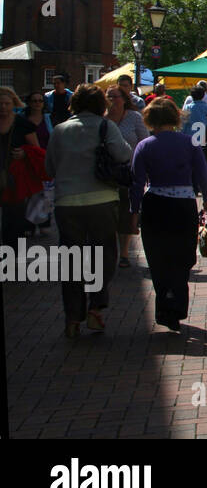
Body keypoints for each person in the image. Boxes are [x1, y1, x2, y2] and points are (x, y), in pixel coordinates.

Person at [45, 84, 130, 337]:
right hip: (102, 200)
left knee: (71, 260)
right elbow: (124, 154)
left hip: (67, 203)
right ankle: (96, 307)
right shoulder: (106, 126)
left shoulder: (59, 130)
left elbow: (49, 168)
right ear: (101, 105)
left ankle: (72, 317)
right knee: (104, 255)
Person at [130, 97, 207, 332]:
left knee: (158, 259)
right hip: (183, 205)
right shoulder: (189, 143)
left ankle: (164, 307)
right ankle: (177, 306)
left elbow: (137, 183)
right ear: (176, 118)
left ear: (150, 119)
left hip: (155, 204)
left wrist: (133, 212)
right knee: (182, 258)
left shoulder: (145, 146)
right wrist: (206, 199)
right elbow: (203, 176)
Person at [107, 85, 148, 269]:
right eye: (108, 96)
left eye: (115, 96)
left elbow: (144, 142)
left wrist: (144, 170)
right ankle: (110, 250)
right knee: (108, 214)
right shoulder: (102, 119)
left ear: (124, 99)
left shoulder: (134, 118)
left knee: (126, 212)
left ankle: (123, 252)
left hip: (129, 173)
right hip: (105, 174)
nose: (111, 100)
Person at [1, 86, 41, 248]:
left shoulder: (22, 123)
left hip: (15, 177)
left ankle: (12, 252)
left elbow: (37, 150)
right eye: (0, 104)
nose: (3, 107)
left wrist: (25, 153)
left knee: (15, 217)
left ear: (13, 104)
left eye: (6, 104)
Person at [182, 82, 207, 149]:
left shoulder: (187, 108)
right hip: (203, 141)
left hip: (189, 140)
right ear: (203, 95)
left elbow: (183, 125)